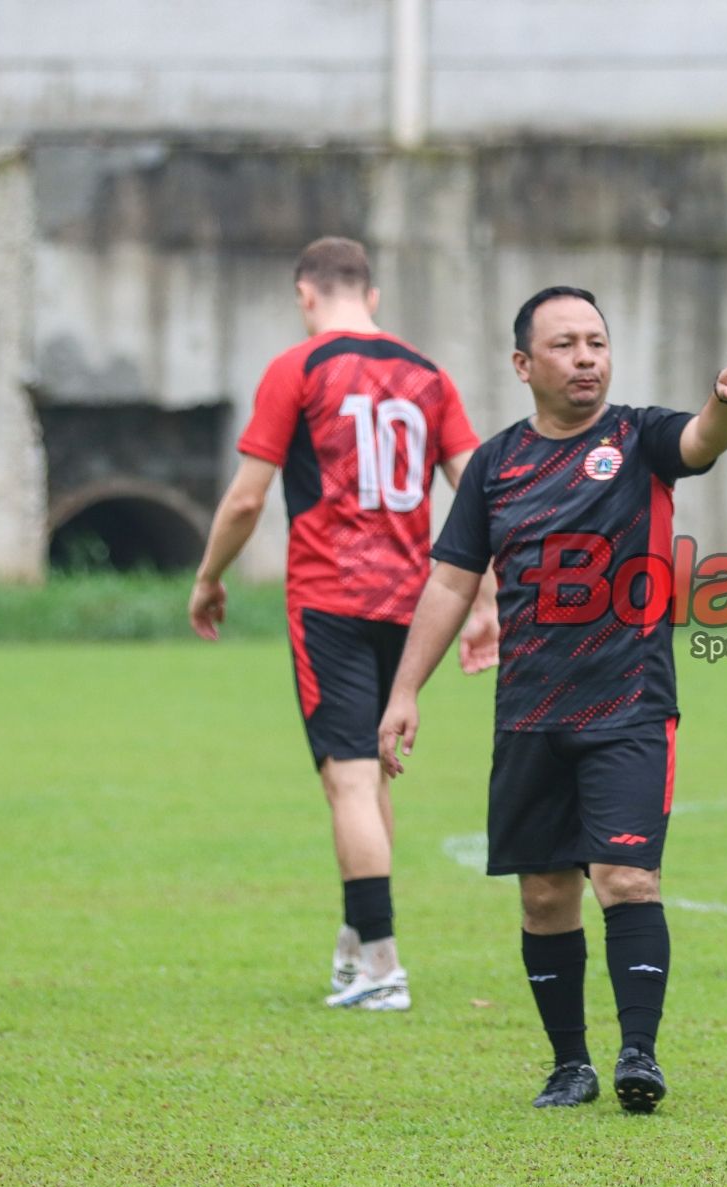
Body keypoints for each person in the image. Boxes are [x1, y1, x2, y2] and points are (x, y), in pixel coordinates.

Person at [377, 286, 727, 1111]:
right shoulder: (494, 464)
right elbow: (449, 584)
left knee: (626, 876)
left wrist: (723, 403)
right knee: (545, 893)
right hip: (528, 713)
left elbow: (701, 441)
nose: (586, 357)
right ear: (524, 365)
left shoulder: (638, 436)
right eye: (564, 345)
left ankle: (639, 1056)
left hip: (627, 704)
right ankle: (569, 1064)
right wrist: (405, 690)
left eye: (596, 341)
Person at [188, 236, 496, 1013]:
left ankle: (382, 968)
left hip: (330, 598)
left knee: (348, 779)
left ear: (305, 294)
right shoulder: (428, 374)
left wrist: (208, 576)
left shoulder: (298, 369)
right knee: (369, 775)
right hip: (414, 601)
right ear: (374, 294)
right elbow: (485, 491)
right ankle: (358, 946)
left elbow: (248, 498)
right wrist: (484, 597)